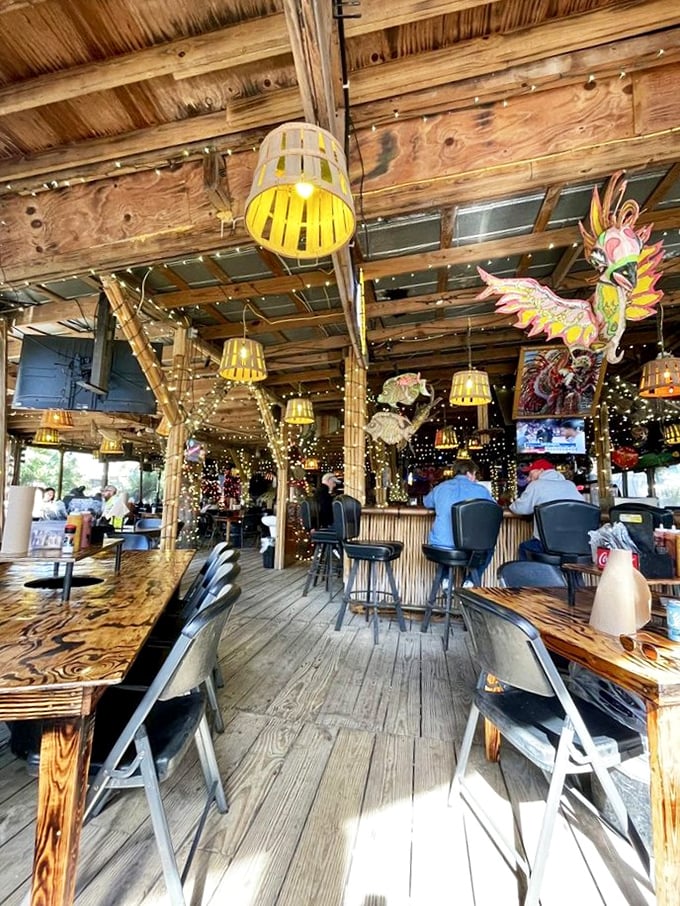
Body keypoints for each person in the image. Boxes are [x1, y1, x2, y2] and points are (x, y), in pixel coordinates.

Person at [423, 458, 494, 585]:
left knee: (444, 544)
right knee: (489, 548)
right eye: (474, 474)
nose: (475, 478)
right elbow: (494, 509)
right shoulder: (481, 490)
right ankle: (470, 581)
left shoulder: (440, 488)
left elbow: (427, 503)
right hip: (471, 550)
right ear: (468, 473)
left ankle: (445, 579)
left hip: (441, 550)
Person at [509, 457, 583, 559]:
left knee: (525, 548)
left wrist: (511, 504)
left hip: (547, 545)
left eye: (530, 474)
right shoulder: (570, 485)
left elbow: (519, 508)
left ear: (542, 470)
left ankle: (533, 575)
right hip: (575, 545)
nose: (528, 479)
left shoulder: (536, 485)